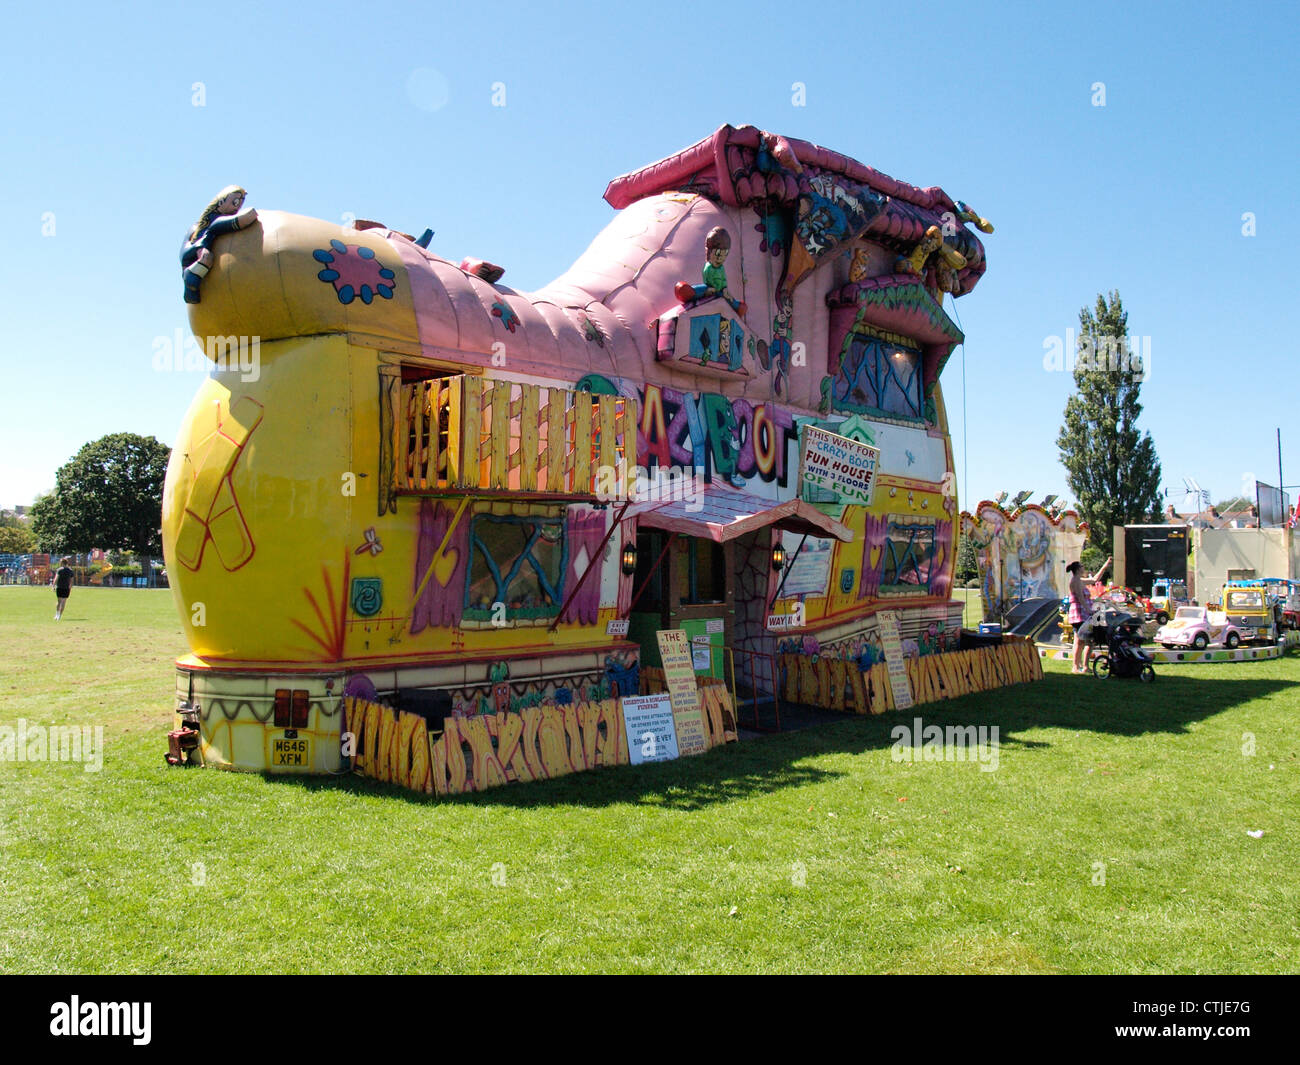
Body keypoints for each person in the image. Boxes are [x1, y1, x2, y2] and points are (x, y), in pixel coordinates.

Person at [1067, 556, 1111, 673]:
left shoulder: (1081, 581)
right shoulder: (1075, 581)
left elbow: (1095, 579)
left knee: (1090, 640)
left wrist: (1105, 565)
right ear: (1077, 569)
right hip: (1079, 613)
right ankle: (1075, 666)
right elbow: (1080, 598)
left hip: (1086, 612)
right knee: (1079, 640)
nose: (1084, 568)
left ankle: (1085, 666)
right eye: (1082, 567)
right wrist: (1090, 611)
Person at [54, 556, 73, 621]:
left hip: (59, 587)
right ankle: (59, 615)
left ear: (62, 563)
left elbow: (56, 578)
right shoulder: (70, 571)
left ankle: (57, 614)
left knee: (59, 601)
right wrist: (70, 587)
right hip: (66, 587)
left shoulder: (59, 570)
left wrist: (53, 585)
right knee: (64, 602)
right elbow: (71, 580)